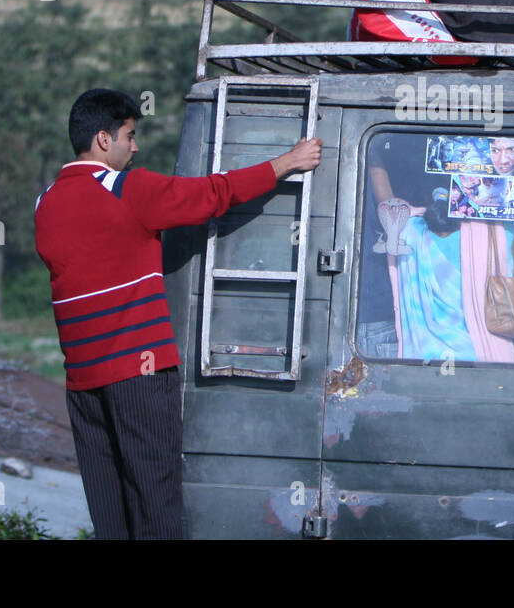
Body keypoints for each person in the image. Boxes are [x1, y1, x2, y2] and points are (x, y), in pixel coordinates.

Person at [34, 88, 322, 539]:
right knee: (155, 500)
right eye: (130, 136)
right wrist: (285, 163)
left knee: (109, 507)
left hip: (82, 383)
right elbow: (213, 193)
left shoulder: (45, 203)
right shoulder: (126, 188)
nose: (136, 147)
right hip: (138, 373)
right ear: (104, 140)